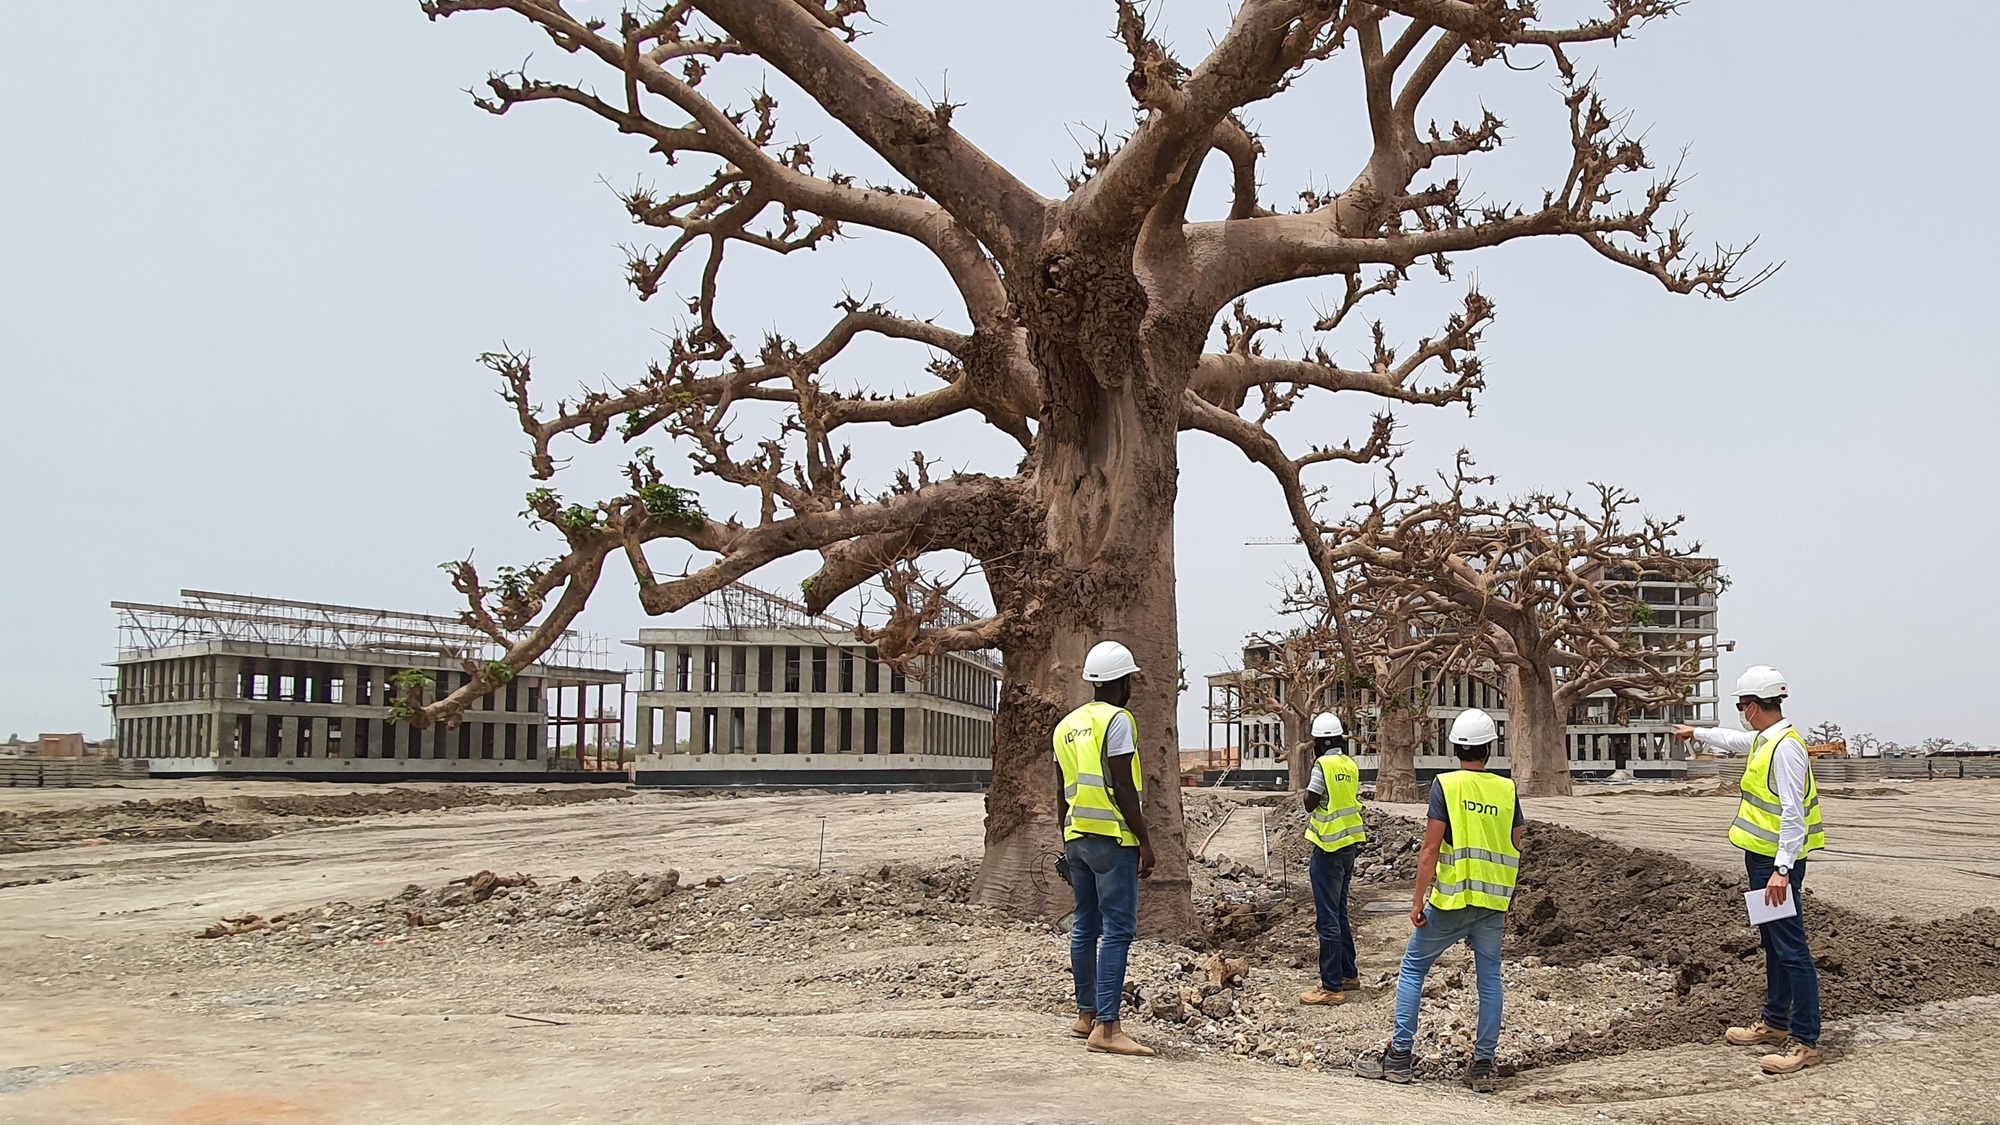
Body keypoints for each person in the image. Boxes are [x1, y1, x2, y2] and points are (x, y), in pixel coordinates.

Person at [1355, 708, 1522, 1094]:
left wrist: (1417, 901)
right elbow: (1515, 845)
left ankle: (1399, 1057)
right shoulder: (1507, 789)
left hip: (1451, 902)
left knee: (1414, 968)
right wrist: (1506, 902)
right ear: (1490, 748)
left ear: (1455, 749)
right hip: (1492, 903)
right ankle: (1483, 1065)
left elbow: (1430, 849)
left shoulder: (1445, 785)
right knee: (1489, 979)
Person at [1673, 664, 1826, 1075]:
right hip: (1761, 860)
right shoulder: (1765, 739)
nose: (1741, 712)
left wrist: (1782, 870)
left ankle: (1805, 1041)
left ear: (1754, 706)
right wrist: (1696, 732)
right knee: (1774, 944)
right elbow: (1734, 740)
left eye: (1742, 705)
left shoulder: (1786, 748)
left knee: (1791, 949)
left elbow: (1793, 814)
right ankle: (1775, 1022)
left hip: (1776, 865)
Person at [1052, 639, 1155, 1057]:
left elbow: (1061, 790)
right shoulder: (1118, 720)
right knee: (1117, 931)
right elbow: (1124, 786)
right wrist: (1144, 841)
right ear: (1122, 682)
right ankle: (1108, 1028)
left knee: (1085, 925)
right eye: (1130, 679)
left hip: (1077, 838)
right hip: (1113, 839)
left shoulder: (1067, 725)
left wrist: (1066, 837)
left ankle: (1086, 1015)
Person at [1299, 712, 1366, 1006]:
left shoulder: (1322, 766)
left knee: (1327, 919)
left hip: (1327, 848)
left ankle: (1331, 987)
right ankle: (1348, 974)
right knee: (1339, 913)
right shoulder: (1349, 765)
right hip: (1349, 846)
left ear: (1319, 743)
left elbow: (1310, 802)